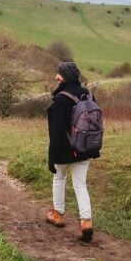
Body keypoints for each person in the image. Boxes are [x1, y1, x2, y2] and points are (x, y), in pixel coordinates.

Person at [45, 60, 98, 242]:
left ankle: (58, 214)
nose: (56, 77)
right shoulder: (88, 94)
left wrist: (52, 157)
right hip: (84, 148)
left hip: (64, 149)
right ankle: (86, 222)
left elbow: (57, 131)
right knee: (80, 185)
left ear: (65, 76)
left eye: (58, 74)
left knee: (59, 178)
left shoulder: (61, 99)